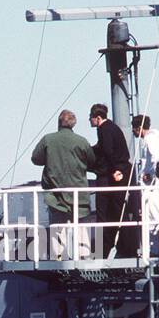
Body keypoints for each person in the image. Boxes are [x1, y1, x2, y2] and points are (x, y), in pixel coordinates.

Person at [31, 109, 97, 260]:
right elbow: (92, 160)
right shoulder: (81, 141)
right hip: (78, 192)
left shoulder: (48, 140)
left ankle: (58, 256)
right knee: (80, 226)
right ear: (73, 124)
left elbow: (35, 159)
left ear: (59, 122)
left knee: (58, 227)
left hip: (56, 194)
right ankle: (84, 255)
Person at [88, 104, 133, 258]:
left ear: (98, 118)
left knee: (109, 213)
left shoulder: (104, 129)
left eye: (91, 118)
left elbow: (107, 150)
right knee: (118, 212)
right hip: (120, 170)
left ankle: (108, 250)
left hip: (115, 174)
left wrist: (115, 170)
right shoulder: (112, 128)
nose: (89, 121)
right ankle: (125, 248)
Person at [131, 114, 159, 256]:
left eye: (134, 129)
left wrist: (150, 176)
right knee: (151, 216)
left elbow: (157, 159)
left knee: (153, 215)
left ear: (139, 128)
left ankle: (156, 249)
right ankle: (154, 248)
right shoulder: (149, 139)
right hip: (150, 185)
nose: (133, 132)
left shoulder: (150, 139)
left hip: (152, 186)